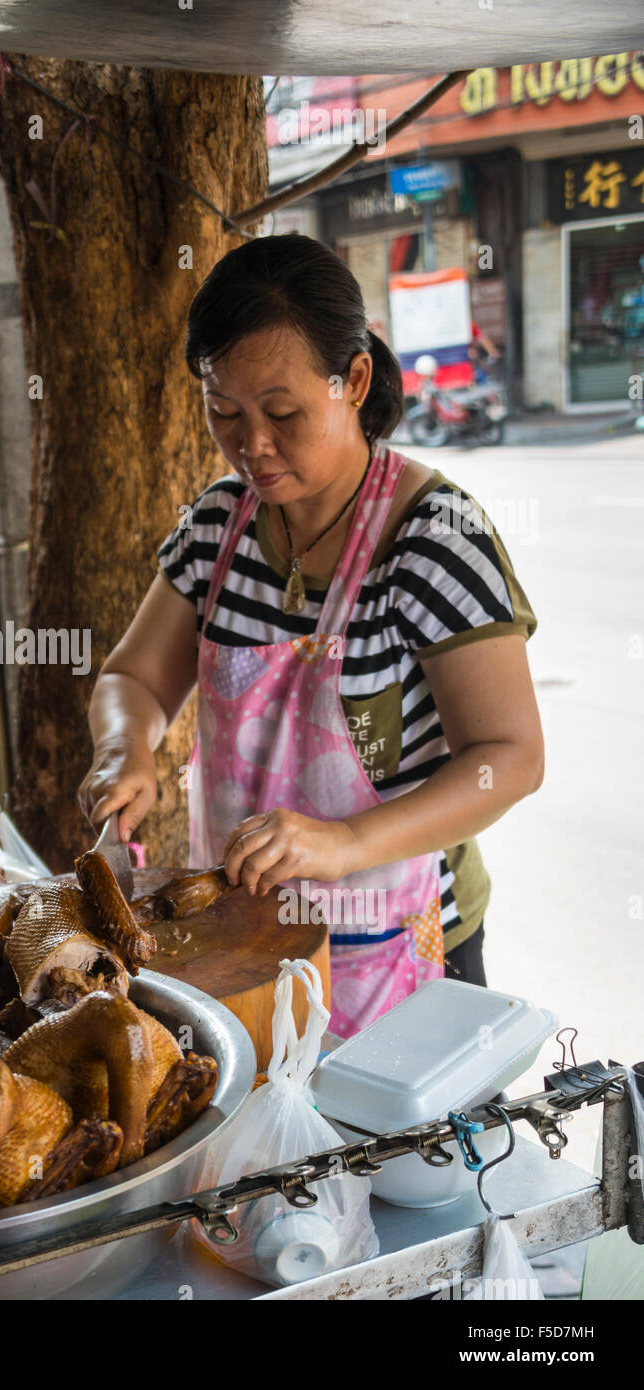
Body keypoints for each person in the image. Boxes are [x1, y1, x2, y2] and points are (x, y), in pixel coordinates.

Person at [78, 234, 544, 1037]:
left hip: (407, 938)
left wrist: (345, 842)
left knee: (395, 1155)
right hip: (241, 936)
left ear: (353, 379)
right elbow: (138, 680)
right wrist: (127, 748)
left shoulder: (435, 538)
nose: (252, 444)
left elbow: (509, 758)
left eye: (283, 413)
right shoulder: (217, 524)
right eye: (224, 412)